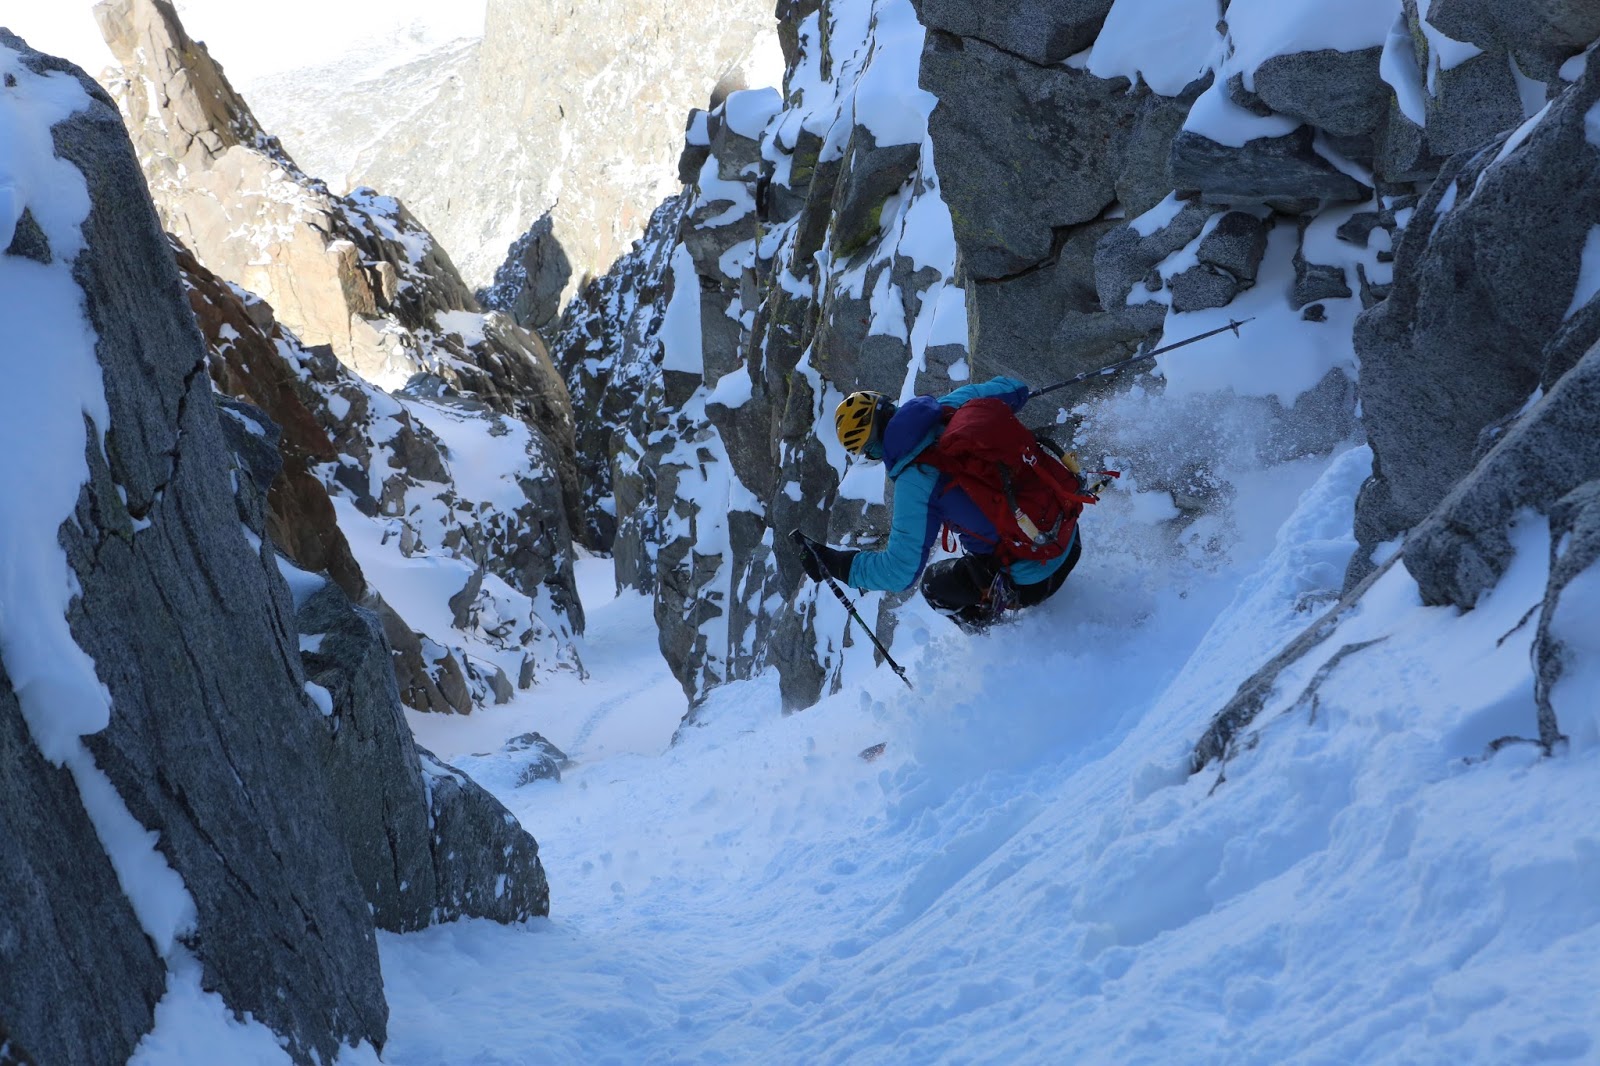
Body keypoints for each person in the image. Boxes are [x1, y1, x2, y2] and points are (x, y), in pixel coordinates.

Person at [790, 376, 1083, 629]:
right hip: (1067, 534)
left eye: (871, 453)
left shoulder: (915, 479)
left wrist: (839, 565)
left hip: (1031, 580)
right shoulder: (953, 406)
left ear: (872, 449)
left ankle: (1003, 644)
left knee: (934, 586)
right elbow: (1015, 387)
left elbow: (900, 572)